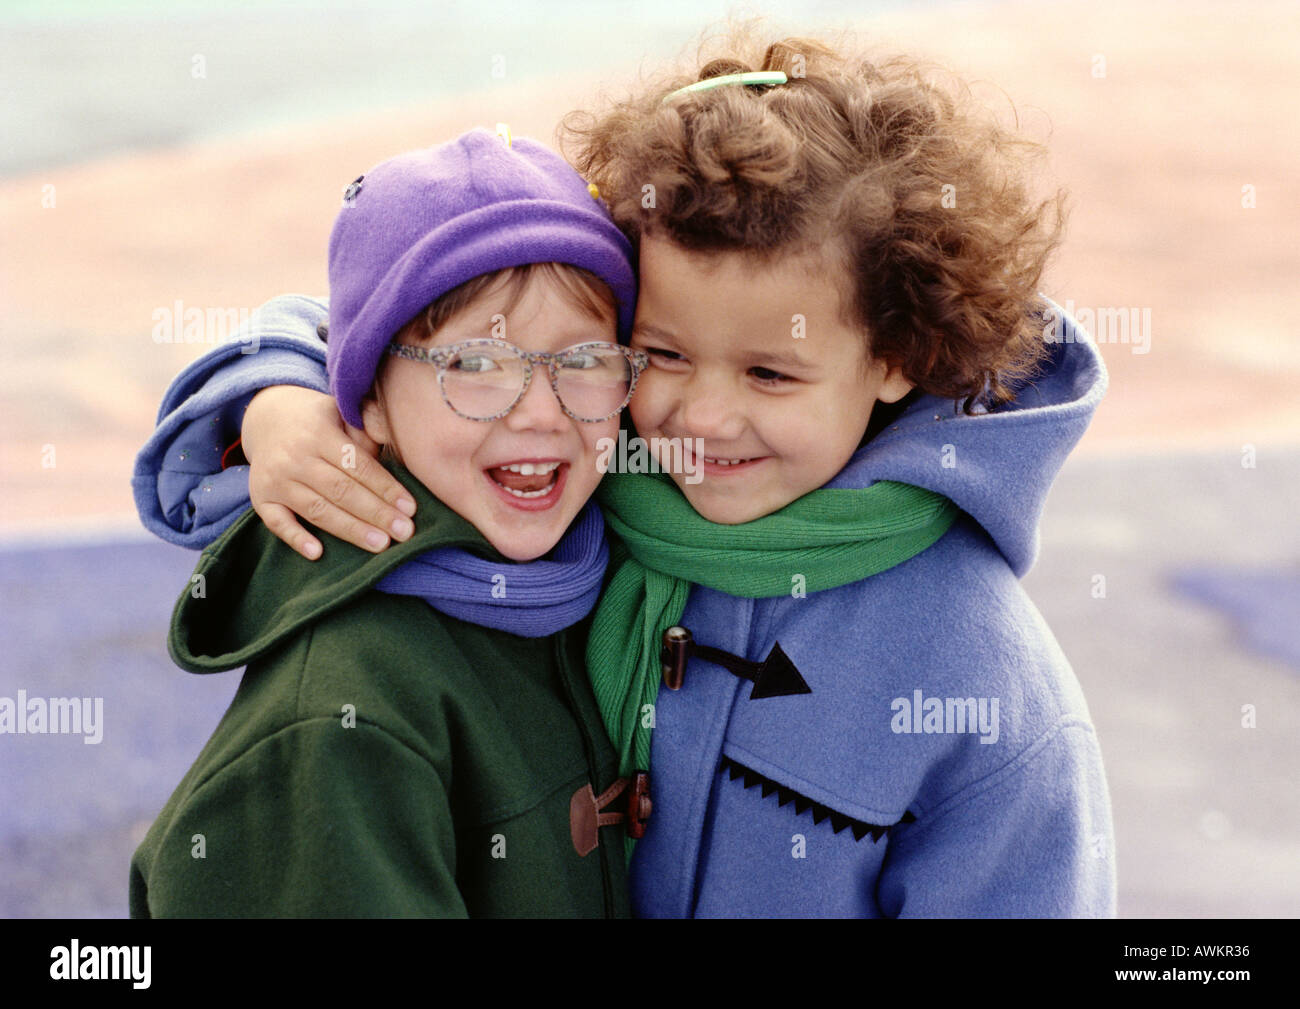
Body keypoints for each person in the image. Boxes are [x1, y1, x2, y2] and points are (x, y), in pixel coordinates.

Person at [133, 31, 1116, 918]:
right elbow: (413, 302)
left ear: (897, 354)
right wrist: (278, 398)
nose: (703, 416)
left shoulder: (983, 686)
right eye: (664, 354)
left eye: (771, 371)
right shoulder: (585, 472)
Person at [129, 128, 648, 917]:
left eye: (583, 361)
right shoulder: (342, 722)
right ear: (367, 399)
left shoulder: (593, 554)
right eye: (476, 365)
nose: (543, 414)